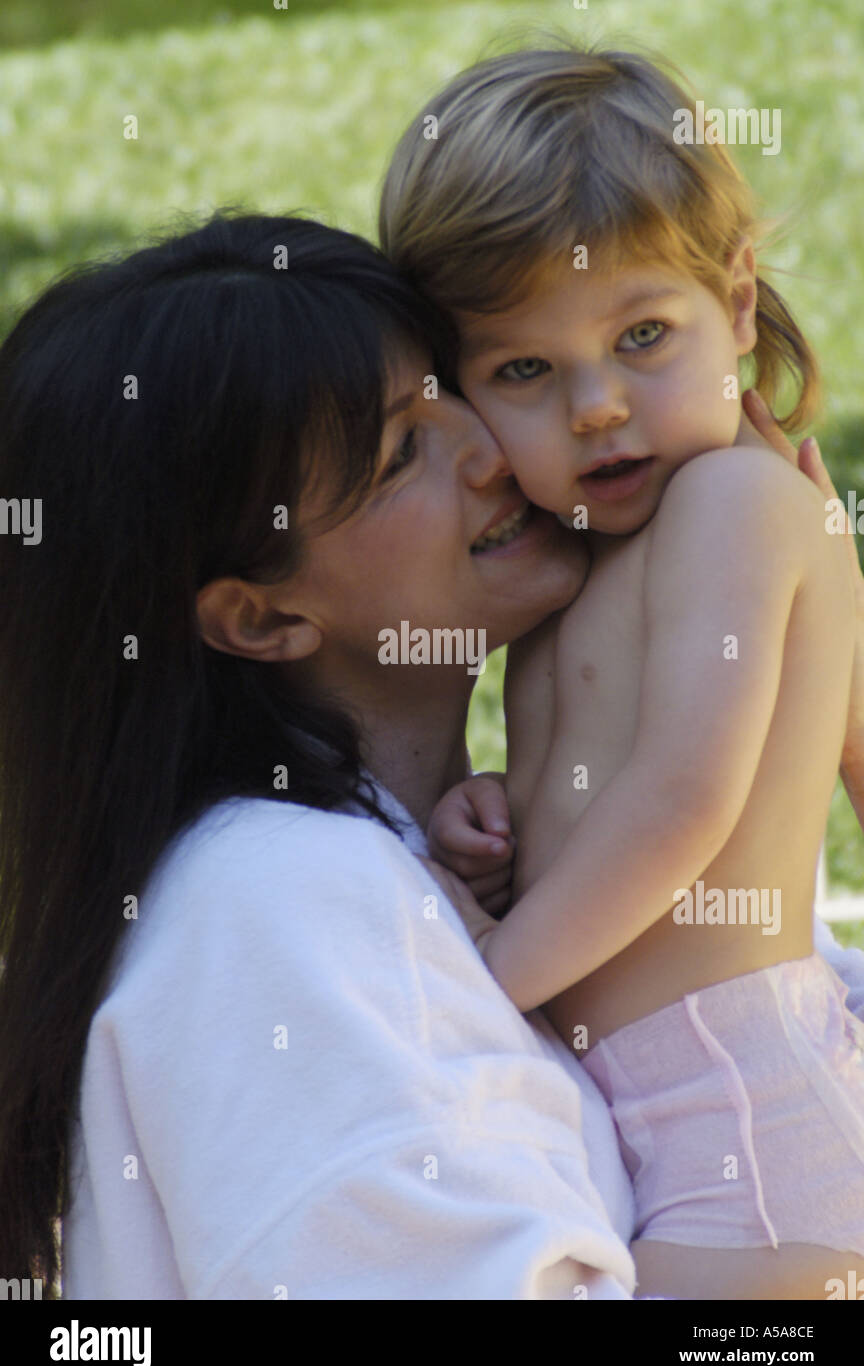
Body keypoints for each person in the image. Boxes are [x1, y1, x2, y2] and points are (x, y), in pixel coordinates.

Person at [0, 211, 861, 1302]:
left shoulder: (474, 856)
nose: (500, 449)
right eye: (405, 450)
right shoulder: (275, 908)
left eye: (457, 387)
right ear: (262, 619)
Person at [379, 43, 864, 1298]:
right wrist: (497, 816)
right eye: (526, 371)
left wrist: (487, 987)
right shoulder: (576, 560)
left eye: (643, 335)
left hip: (747, 1125)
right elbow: (600, 790)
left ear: (740, 306)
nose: (596, 406)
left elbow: (687, 798)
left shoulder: (734, 504)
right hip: (668, 1120)